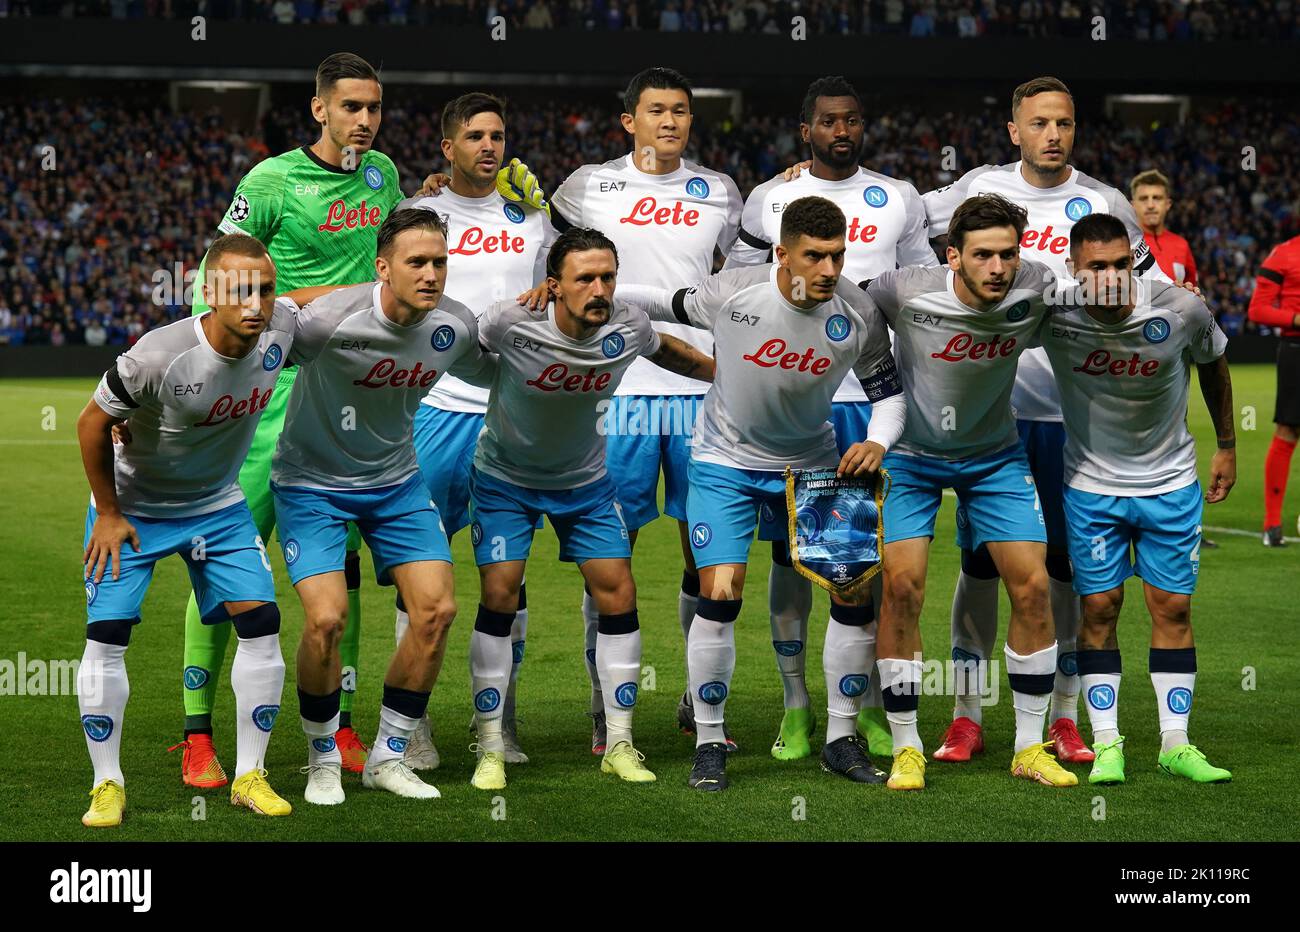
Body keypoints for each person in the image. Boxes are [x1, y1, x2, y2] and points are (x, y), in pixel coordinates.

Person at [619, 196, 906, 791]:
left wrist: (877, 441)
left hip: (816, 463)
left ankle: (840, 737)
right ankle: (708, 741)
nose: (829, 269)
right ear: (783, 254)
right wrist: (593, 295)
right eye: (815, 257)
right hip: (726, 461)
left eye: (837, 255)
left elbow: (890, 394)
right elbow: (659, 301)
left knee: (853, 596)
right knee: (720, 592)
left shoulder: (858, 311)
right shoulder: (734, 291)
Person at [174, 52, 403, 784]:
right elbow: (218, 275)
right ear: (320, 111)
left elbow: (393, 268)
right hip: (270, 396)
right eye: (351, 108)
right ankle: (197, 735)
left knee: (345, 571)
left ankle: (338, 729)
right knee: (225, 563)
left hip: (351, 398)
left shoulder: (384, 176)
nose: (364, 120)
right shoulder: (271, 181)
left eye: (373, 107)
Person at [922, 76, 1160, 766]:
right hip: (994, 415)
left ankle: (1061, 716)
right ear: (1014, 130)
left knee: (1063, 569)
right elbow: (900, 219)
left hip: (1074, 420)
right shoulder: (975, 190)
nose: (1053, 135)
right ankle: (968, 714)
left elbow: (1143, 287)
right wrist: (804, 174)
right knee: (981, 566)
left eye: (1064, 123)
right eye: (1040, 123)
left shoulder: (1106, 202)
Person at [725, 74, 936, 762]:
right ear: (805, 130)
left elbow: (923, 290)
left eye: (851, 120)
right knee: (789, 562)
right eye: (827, 121)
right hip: (790, 402)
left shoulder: (900, 197)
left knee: (860, 569)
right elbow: (737, 286)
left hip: (868, 408)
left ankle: (864, 706)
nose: (841, 131)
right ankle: (795, 707)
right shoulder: (769, 198)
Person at [465, 227, 713, 790]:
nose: (600, 288)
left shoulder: (628, 326)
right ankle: (491, 744)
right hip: (505, 480)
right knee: (500, 594)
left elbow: (667, 351)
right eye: (585, 278)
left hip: (586, 484)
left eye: (608, 276)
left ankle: (620, 741)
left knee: (618, 593)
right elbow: (458, 347)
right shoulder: (509, 322)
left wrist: (726, 376)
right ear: (553, 286)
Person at [548, 67, 743, 754]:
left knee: (707, 553)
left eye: (682, 111)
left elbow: (737, 279)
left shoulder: (720, 191)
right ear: (628, 120)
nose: (671, 121)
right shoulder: (585, 185)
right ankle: (607, 711)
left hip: (703, 395)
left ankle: (696, 697)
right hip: (618, 397)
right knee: (611, 555)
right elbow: (552, 269)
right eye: (656, 110)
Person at [273, 208, 495, 804]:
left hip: (396, 483)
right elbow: (243, 345)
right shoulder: (326, 321)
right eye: (416, 262)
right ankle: (322, 759)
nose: (431, 274)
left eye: (440, 263)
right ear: (383, 268)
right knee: (325, 621)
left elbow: (501, 372)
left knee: (437, 610)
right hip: (310, 483)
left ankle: (388, 756)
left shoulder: (454, 326)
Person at [76, 234, 296, 827]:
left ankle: (250, 774)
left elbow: (335, 298)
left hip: (217, 507)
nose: (256, 303)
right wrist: (109, 511)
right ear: (210, 292)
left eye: (267, 289)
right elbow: (93, 423)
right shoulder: (158, 354)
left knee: (262, 623)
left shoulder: (281, 331)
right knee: (108, 634)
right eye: (241, 291)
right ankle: (107, 784)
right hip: (136, 510)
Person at [867, 193, 1069, 791]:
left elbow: (1095, 309)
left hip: (994, 457)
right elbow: (841, 309)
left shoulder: (1036, 285)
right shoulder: (902, 288)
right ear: (953, 255)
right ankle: (907, 747)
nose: (998, 268)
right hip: (912, 457)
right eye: (983, 255)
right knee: (901, 587)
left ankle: (1029, 747)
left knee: (1033, 586)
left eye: (1008, 254)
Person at [1039, 212, 1234, 785]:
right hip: (1091, 488)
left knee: (1172, 607)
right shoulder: (1053, 312)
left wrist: (1227, 445)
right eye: (1096, 266)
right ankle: (1106, 743)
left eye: (1122, 263)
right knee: (1099, 609)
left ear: (1135, 261)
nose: (1111, 276)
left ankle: (1176, 743)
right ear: (1073, 269)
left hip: (1171, 484)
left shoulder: (1179, 308)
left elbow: (1214, 364)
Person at [396, 91, 555, 770]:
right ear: (447, 149)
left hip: (512, 417)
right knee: (418, 577)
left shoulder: (532, 222)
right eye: (475, 136)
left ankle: (499, 725)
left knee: (506, 580)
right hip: (434, 411)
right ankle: (415, 723)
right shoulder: (416, 215)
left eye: (498, 134)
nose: (489, 146)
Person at [1246, 234, 1300, 547]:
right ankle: (1272, 524)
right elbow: (1258, 310)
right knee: (1288, 431)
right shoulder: (1285, 253)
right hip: (1296, 349)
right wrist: (1294, 318)